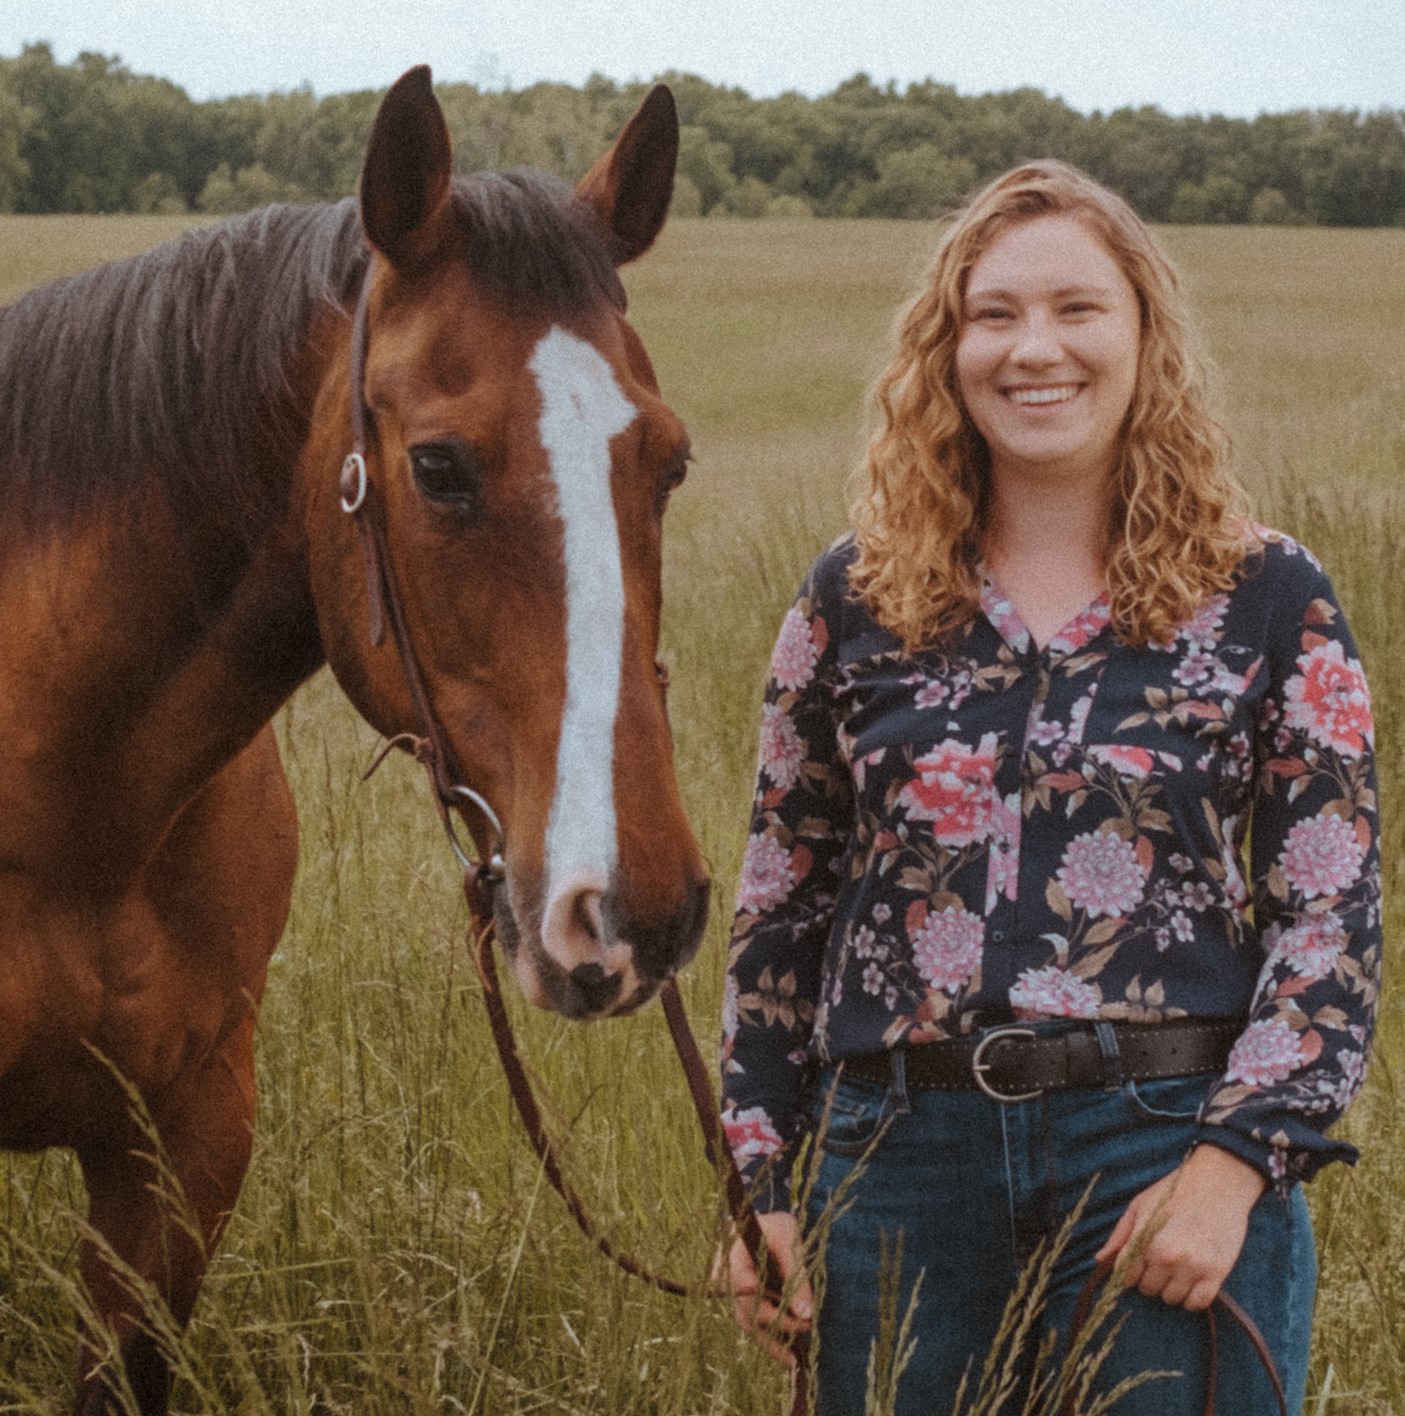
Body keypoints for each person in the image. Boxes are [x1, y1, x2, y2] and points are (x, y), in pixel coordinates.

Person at [718, 160, 1380, 1414]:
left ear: (1143, 337)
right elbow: (780, 909)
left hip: (1161, 1159)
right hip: (894, 1173)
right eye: (995, 314)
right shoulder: (852, 599)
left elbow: (1327, 914)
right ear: (947, 349)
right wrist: (758, 1184)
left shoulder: (1267, 597)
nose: (1035, 349)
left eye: (1078, 309)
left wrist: (1232, 1168)